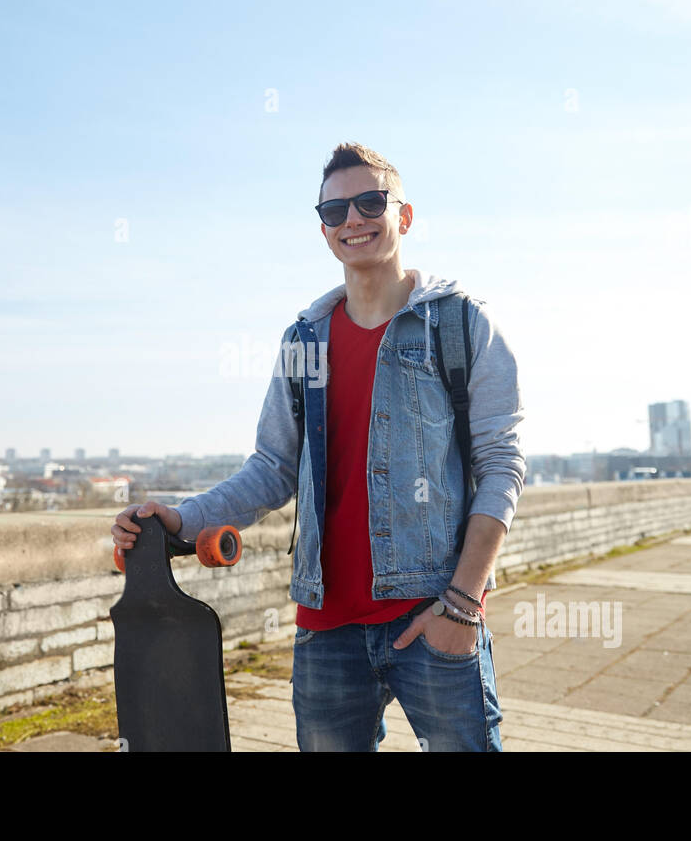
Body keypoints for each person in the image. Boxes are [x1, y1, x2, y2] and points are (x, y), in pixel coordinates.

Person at [111, 142, 526, 751]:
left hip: (432, 612)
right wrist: (181, 517)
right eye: (335, 211)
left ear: (403, 215)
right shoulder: (304, 340)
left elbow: (501, 466)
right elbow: (272, 469)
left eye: (369, 202)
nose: (353, 220)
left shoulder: (461, 324)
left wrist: (461, 606)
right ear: (323, 228)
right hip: (326, 632)